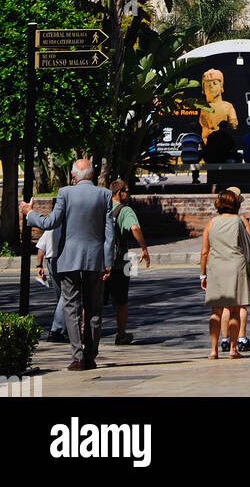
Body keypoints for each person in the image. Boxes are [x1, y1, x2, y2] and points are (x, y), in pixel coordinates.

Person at [21, 157, 114, 371]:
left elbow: (50, 223)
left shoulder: (65, 193)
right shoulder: (105, 194)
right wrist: (108, 261)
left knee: (71, 308)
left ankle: (78, 356)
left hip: (69, 258)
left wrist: (29, 213)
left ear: (73, 175)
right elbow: (109, 231)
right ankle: (91, 355)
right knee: (94, 309)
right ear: (92, 174)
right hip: (96, 258)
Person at [200, 188, 250, 359]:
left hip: (215, 268)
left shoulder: (211, 223)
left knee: (216, 310)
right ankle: (233, 349)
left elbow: (204, 252)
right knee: (234, 310)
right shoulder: (239, 222)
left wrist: (203, 275)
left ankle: (213, 350)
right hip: (236, 267)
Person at [106, 180, 150, 345]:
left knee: (94, 301)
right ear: (119, 193)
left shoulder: (102, 208)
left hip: (99, 262)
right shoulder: (125, 210)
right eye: (127, 191)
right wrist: (144, 248)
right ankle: (121, 335)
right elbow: (135, 228)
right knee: (122, 301)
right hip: (121, 261)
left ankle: (85, 331)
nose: (129, 195)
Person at [35, 227, 67, 342]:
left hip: (51, 261)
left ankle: (64, 327)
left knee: (60, 296)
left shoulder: (51, 228)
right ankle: (57, 330)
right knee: (66, 295)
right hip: (65, 260)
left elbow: (41, 247)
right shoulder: (68, 226)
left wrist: (39, 266)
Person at [200, 69, 239, 144]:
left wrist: (232, 123)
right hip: (208, 142)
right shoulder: (203, 107)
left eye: (214, 83)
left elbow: (234, 125)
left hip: (222, 141)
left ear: (221, 87)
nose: (211, 86)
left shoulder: (228, 106)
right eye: (208, 84)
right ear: (203, 89)